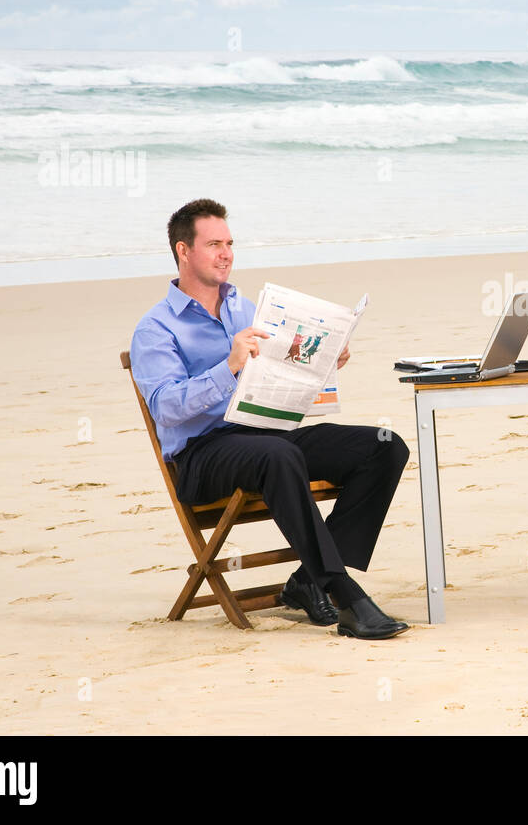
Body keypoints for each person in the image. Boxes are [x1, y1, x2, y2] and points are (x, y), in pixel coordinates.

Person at [129, 198, 410, 639]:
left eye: (230, 243)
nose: (226, 253)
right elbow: (165, 406)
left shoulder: (248, 309)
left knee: (383, 445)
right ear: (184, 251)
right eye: (214, 244)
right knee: (277, 455)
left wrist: (326, 361)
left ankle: (306, 580)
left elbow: (285, 371)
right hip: (203, 455)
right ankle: (345, 593)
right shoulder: (157, 328)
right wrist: (228, 367)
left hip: (266, 433)